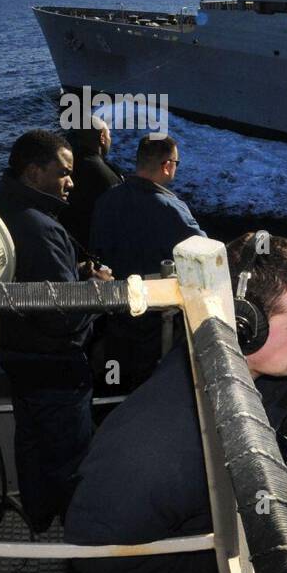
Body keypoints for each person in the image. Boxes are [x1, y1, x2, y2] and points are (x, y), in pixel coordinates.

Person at [63, 232, 287, 573]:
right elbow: (92, 555)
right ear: (246, 328)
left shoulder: (232, 367)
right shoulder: (155, 454)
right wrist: (219, 563)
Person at [0, 130, 112, 532]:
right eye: (63, 173)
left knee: (32, 446)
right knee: (70, 458)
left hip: (18, 357)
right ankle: (80, 543)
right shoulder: (41, 228)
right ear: (33, 172)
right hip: (56, 365)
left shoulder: (0, 207)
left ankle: (39, 522)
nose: (71, 182)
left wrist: (75, 274)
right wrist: (96, 292)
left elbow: (31, 283)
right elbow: (62, 317)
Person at [89, 134, 204, 389]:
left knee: (116, 376)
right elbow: (204, 257)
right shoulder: (171, 210)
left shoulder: (107, 199)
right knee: (148, 383)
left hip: (114, 312)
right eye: (177, 162)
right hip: (152, 321)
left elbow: (96, 249)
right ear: (167, 165)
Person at [59, 116, 122, 250]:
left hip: (66, 242)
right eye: (109, 134)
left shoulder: (63, 169)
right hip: (93, 248)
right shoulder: (107, 176)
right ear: (102, 138)